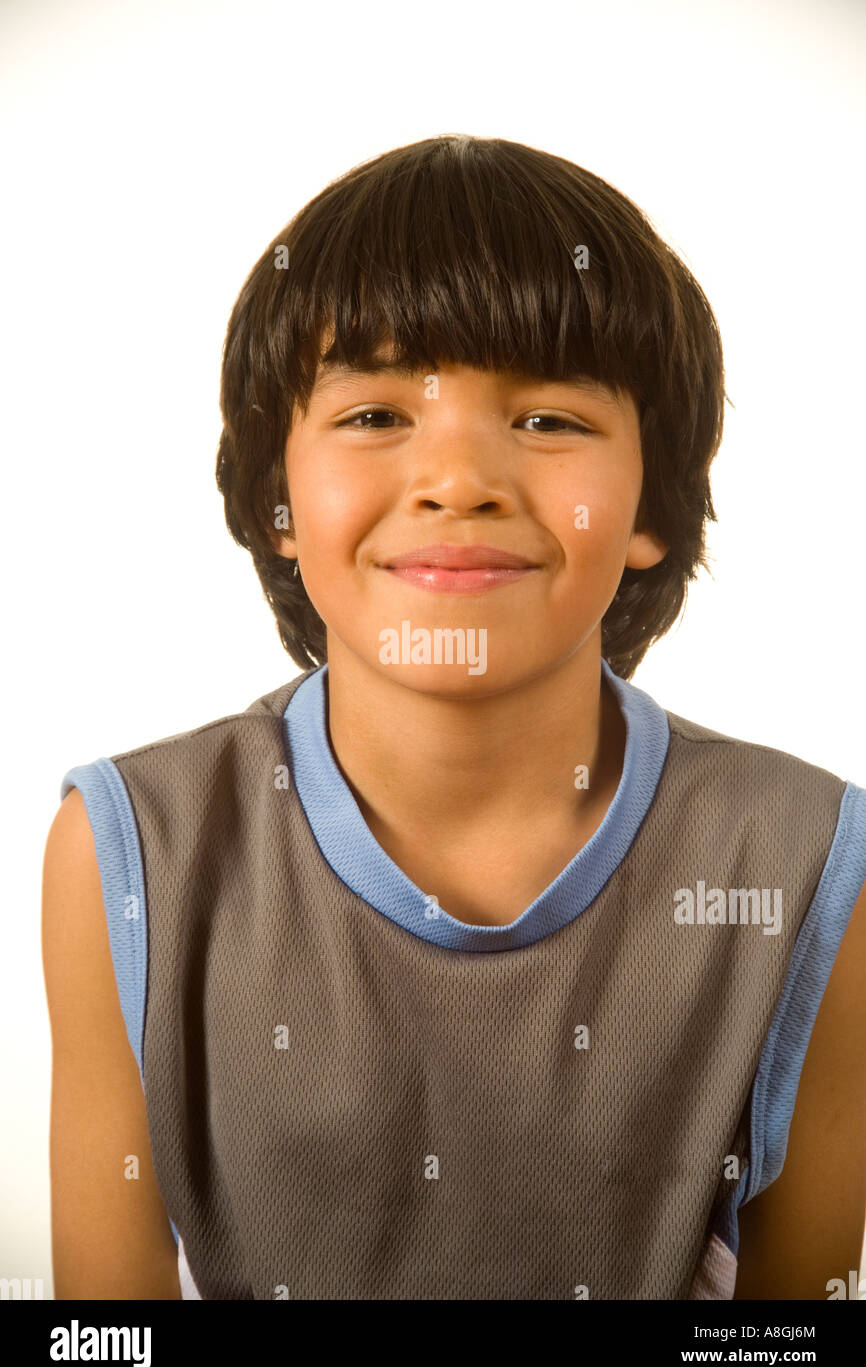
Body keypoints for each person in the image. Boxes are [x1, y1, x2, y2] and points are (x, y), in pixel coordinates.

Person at [42, 133, 866, 1300]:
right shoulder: (128, 852)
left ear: (651, 506)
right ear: (277, 498)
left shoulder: (806, 862)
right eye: (376, 414)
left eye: (546, 421)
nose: (457, 476)